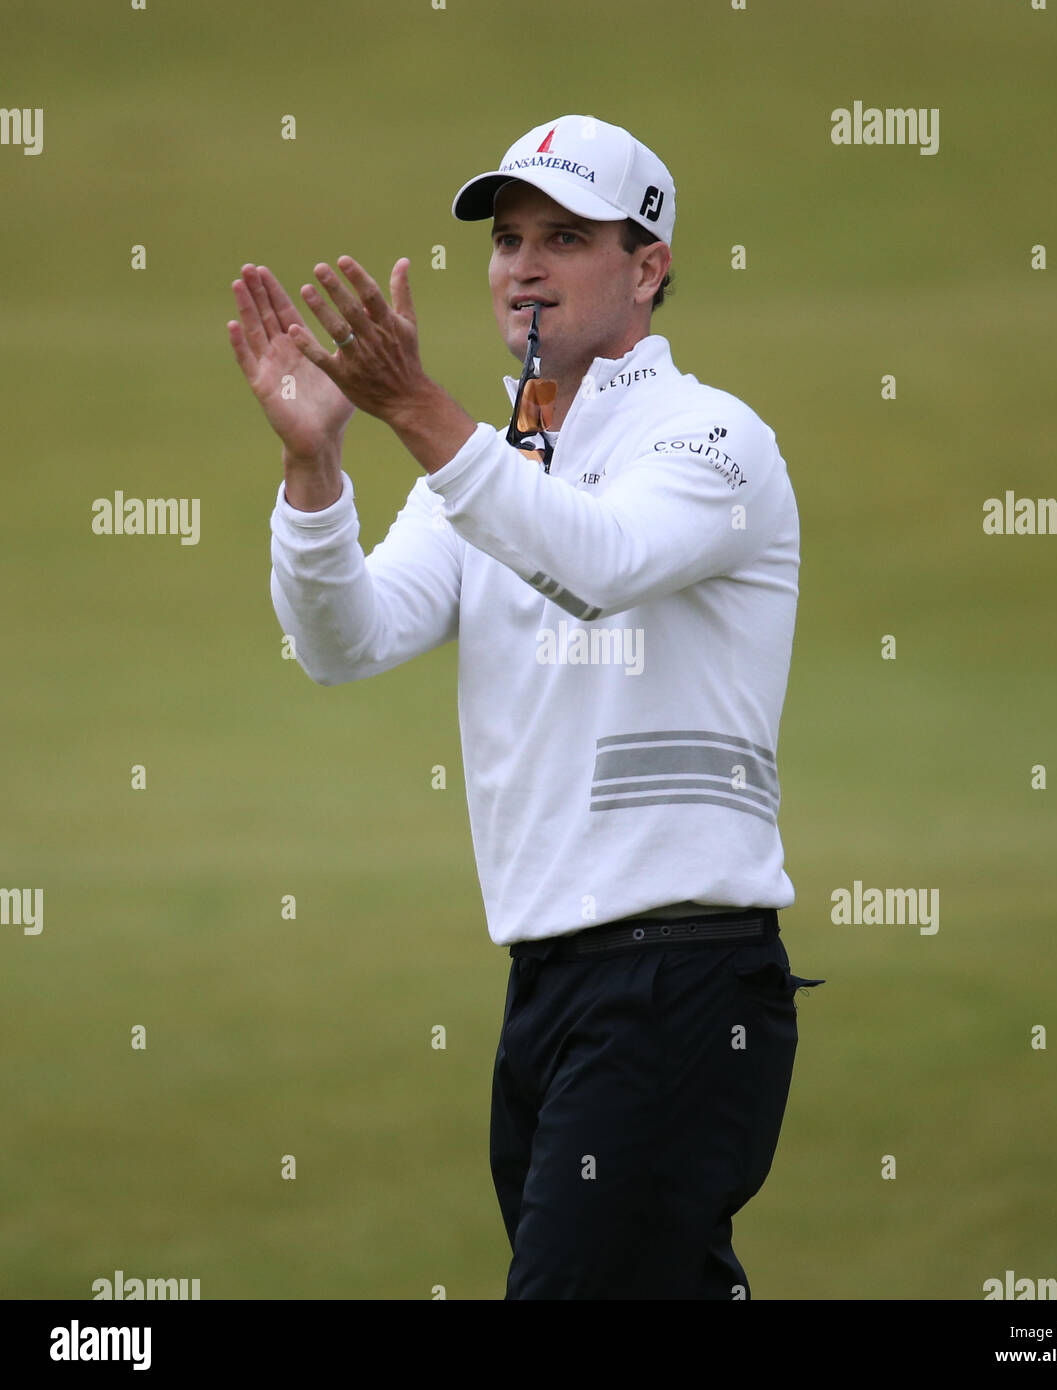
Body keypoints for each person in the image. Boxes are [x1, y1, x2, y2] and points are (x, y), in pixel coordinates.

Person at [227, 114, 823, 1300]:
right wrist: (314, 470)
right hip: (550, 982)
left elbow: (595, 563)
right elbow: (346, 639)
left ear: (647, 266)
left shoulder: (709, 437)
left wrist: (421, 416)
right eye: (506, 241)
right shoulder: (499, 459)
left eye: (566, 235)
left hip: (681, 978)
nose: (523, 267)